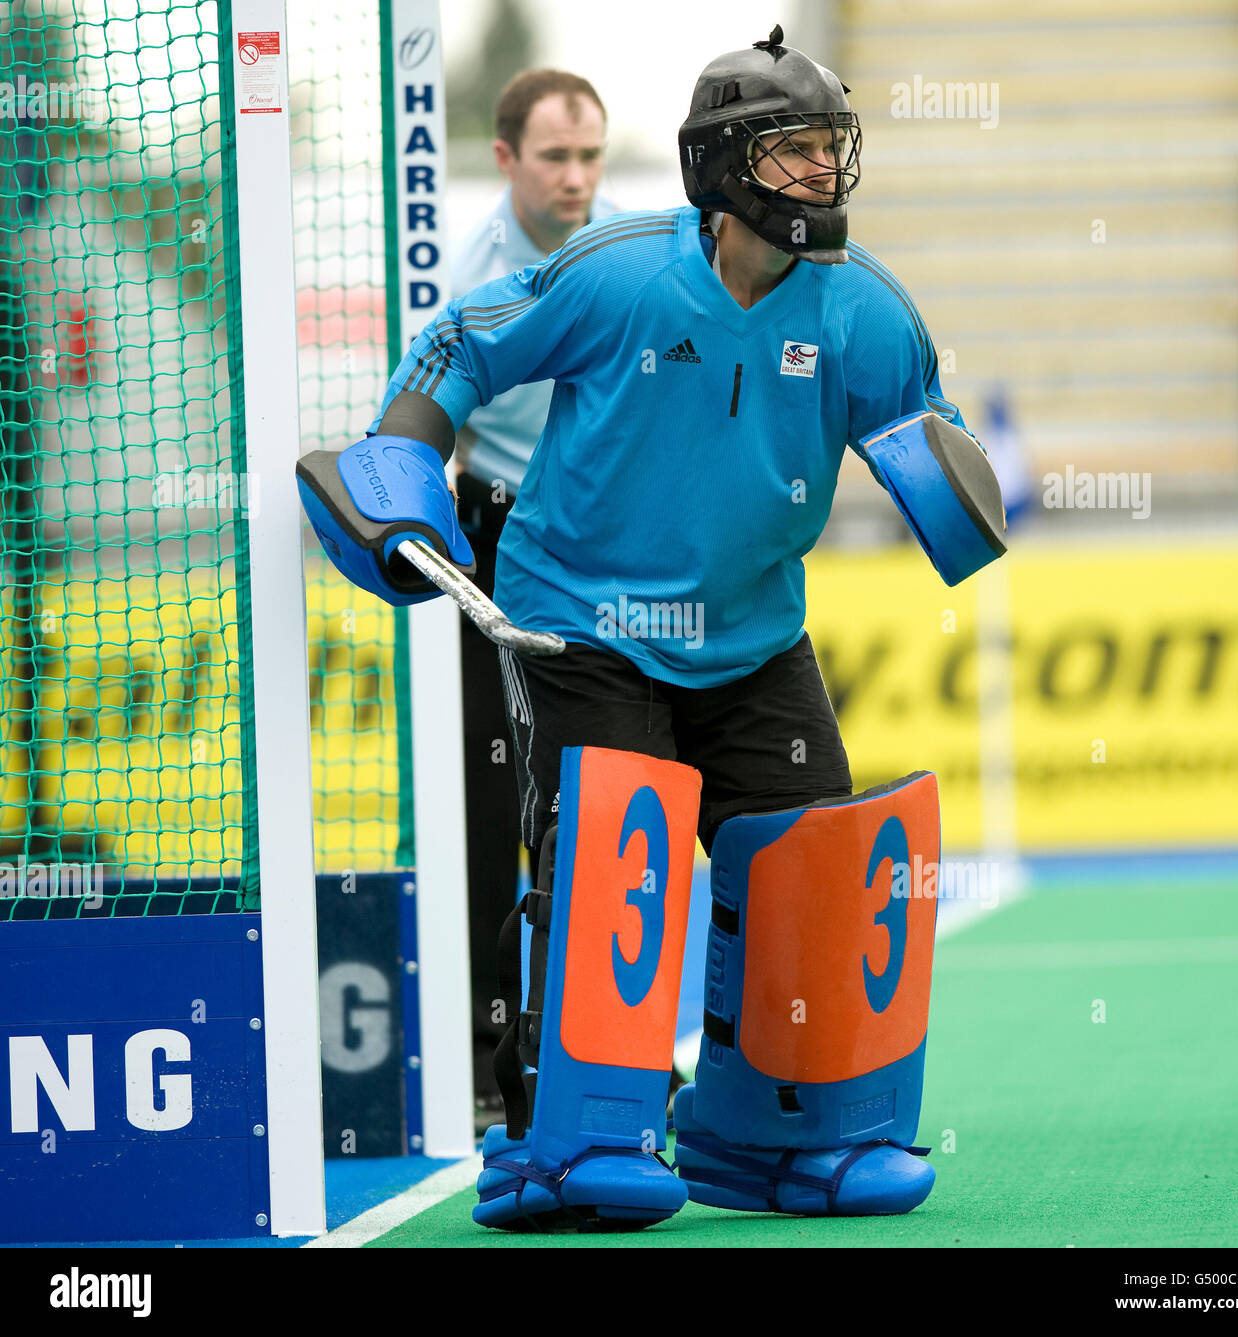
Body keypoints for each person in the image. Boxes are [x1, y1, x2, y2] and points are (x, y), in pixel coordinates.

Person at [299, 25, 1004, 1233]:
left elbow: (920, 426)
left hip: (753, 635)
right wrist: (404, 466)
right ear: (722, 169)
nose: (824, 175)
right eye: (794, 152)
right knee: (605, 869)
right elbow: (460, 345)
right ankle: (563, 1142)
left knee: (810, 876)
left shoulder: (864, 311)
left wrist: (953, 473)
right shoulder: (617, 272)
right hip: (583, 621)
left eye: (832, 149)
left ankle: (778, 1141)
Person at [445, 68, 618, 1133]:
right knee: (496, 803)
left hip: (603, 542)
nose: (576, 177)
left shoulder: (623, 247)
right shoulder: (475, 278)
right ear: (506, 157)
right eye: (555, 156)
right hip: (501, 538)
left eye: (591, 155)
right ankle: (486, 1052)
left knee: (603, 799)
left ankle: (602, 1044)